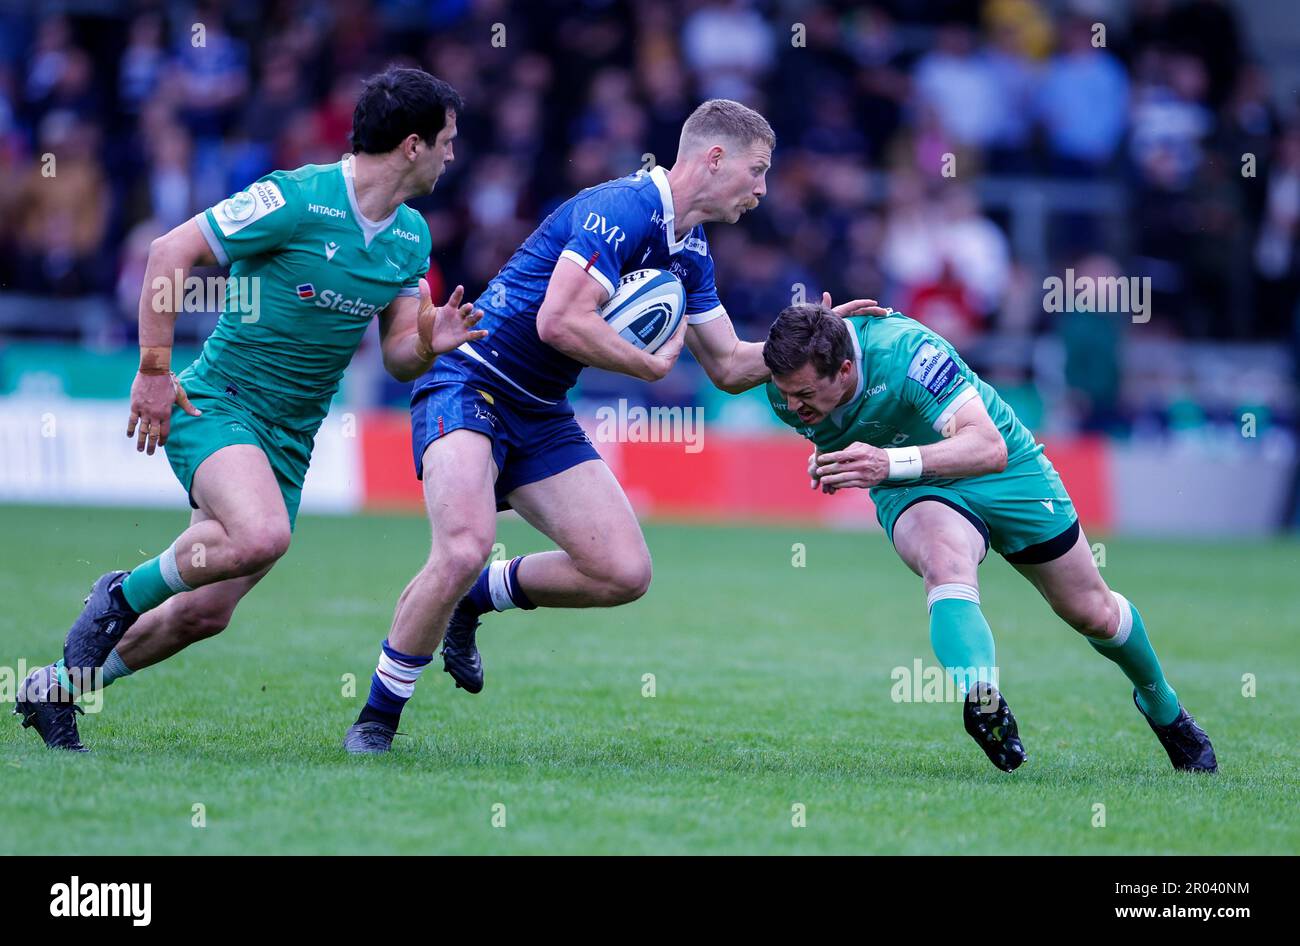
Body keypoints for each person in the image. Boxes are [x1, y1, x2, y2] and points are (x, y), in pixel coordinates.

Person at [343, 99, 881, 753]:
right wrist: (646, 365)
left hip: (539, 409)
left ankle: (477, 599)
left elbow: (732, 366)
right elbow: (557, 321)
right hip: (471, 380)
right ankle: (376, 719)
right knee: (461, 545)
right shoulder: (625, 209)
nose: (763, 190)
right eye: (758, 170)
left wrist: (816, 343)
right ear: (714, 158)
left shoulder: (691, 254)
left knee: (623, 571)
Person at [16, 67, 485, 751]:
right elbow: (169, 251)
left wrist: (429, 342)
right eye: (446, 140)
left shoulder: (411, 238)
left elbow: (397, 357)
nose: (453, 154)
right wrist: (152, 369)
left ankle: (57, 687)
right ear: (412, 145)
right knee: (262, 535)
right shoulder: (296, 197)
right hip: (217, 405)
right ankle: (116, 597)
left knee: (203, 614)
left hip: (292, 441)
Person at [761, 303, 1216, 773]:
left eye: (806, 394)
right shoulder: (783, 379)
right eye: (787, 394)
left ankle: (1164, 708)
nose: (793, 407)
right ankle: (983, 700)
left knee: (1093, 613)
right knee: (944, 560)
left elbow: (988, 447)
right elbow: (726, 362)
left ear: (846, 368)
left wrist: (884, 464)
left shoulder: (907, 351)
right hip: (914, 486)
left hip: (1000, 468)